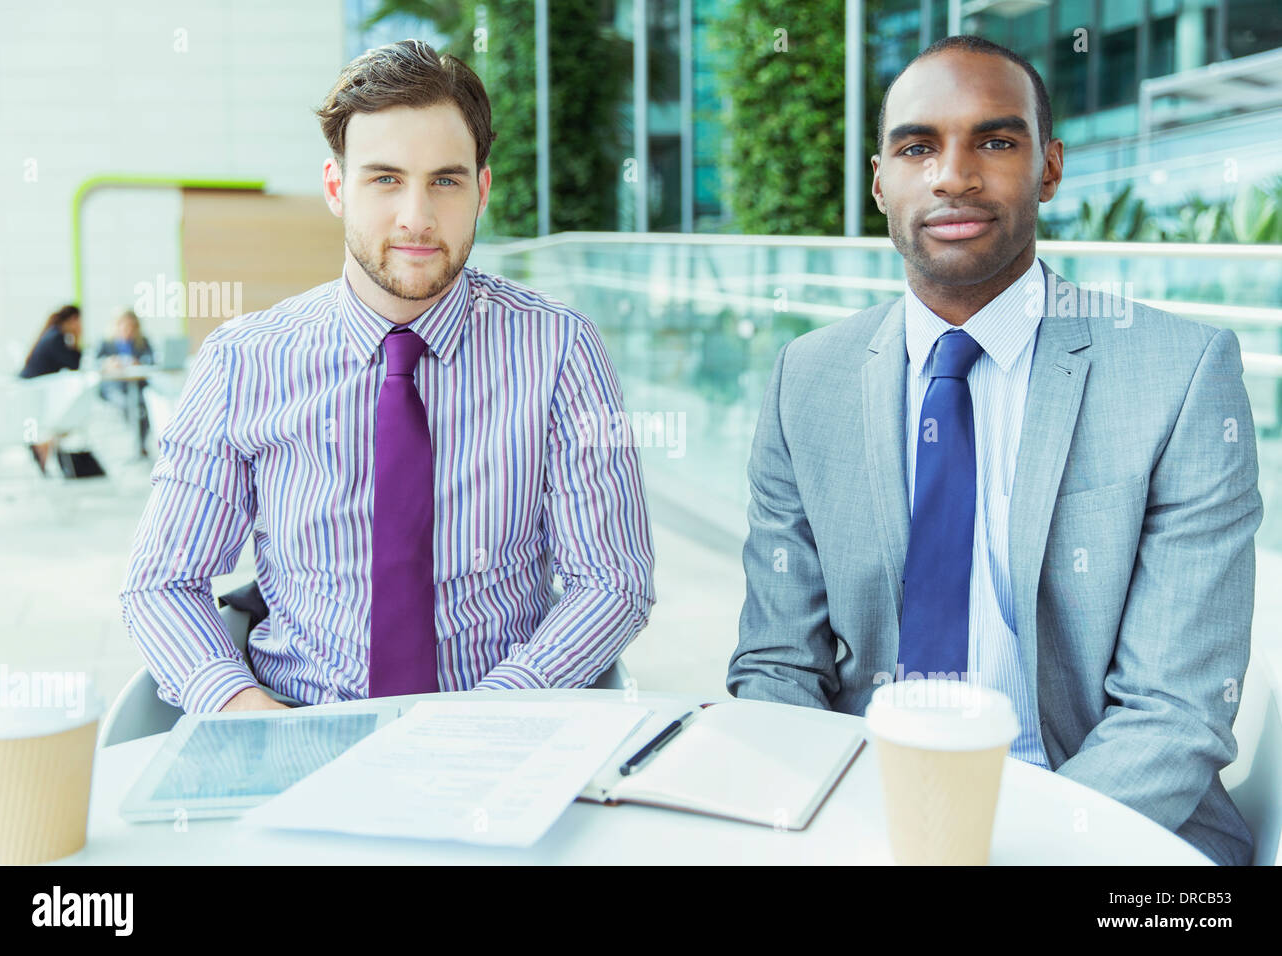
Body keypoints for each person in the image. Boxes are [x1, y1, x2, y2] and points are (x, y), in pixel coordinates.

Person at [727, 35, 1260, 867]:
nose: (952, 176)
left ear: (1049, 168)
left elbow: (1176, 710)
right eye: (917, 147)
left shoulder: (1180, 375)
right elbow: (776, 664)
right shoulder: (808, 378)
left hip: (1107, 832)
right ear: (879, 182)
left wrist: (997, 851)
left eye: (996, 141)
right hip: (866, 819)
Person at [120, 40, 655, 715]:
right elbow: (162, 582)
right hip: (298, 727)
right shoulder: (242, 362)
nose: (416, 217)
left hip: (498, 729)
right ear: (337, 188)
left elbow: (611, 581)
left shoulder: (560, 350)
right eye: (385, 179)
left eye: (446, 180)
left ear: (481, 190)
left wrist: (492, 713)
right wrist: (243, 712)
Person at [18, 304, 82, 473]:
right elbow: (74, 364)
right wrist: (77, 339)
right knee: (70, 412)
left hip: (37, 390)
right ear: (72, 320)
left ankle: (45, 445)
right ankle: (44, 445)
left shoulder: (52, 334)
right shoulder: (56, 338)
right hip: (35, 391)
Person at [96, 309, 154, 456]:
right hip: (113, 387)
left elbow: (151, 360)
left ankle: (140, 444)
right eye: (125, 325)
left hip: (137, 386)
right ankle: (132, 444)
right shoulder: (106, 343)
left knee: (143, 405)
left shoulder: (142, 342)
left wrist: (139, 362)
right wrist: (107, 363)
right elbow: (93, 363)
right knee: (127, 404)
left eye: (131, 326)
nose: (128, 330)